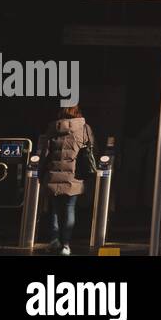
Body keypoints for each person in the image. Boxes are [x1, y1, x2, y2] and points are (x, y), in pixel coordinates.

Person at [39, 106, 95, 256]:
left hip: (53, 174)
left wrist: (40, 174)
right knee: (70, 209)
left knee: (55, 210)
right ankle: (66, 245)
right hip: (74, 176)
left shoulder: (53, 127)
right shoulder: (84, 128)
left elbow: (45, 154)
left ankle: (54, 240)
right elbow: (89, 149)